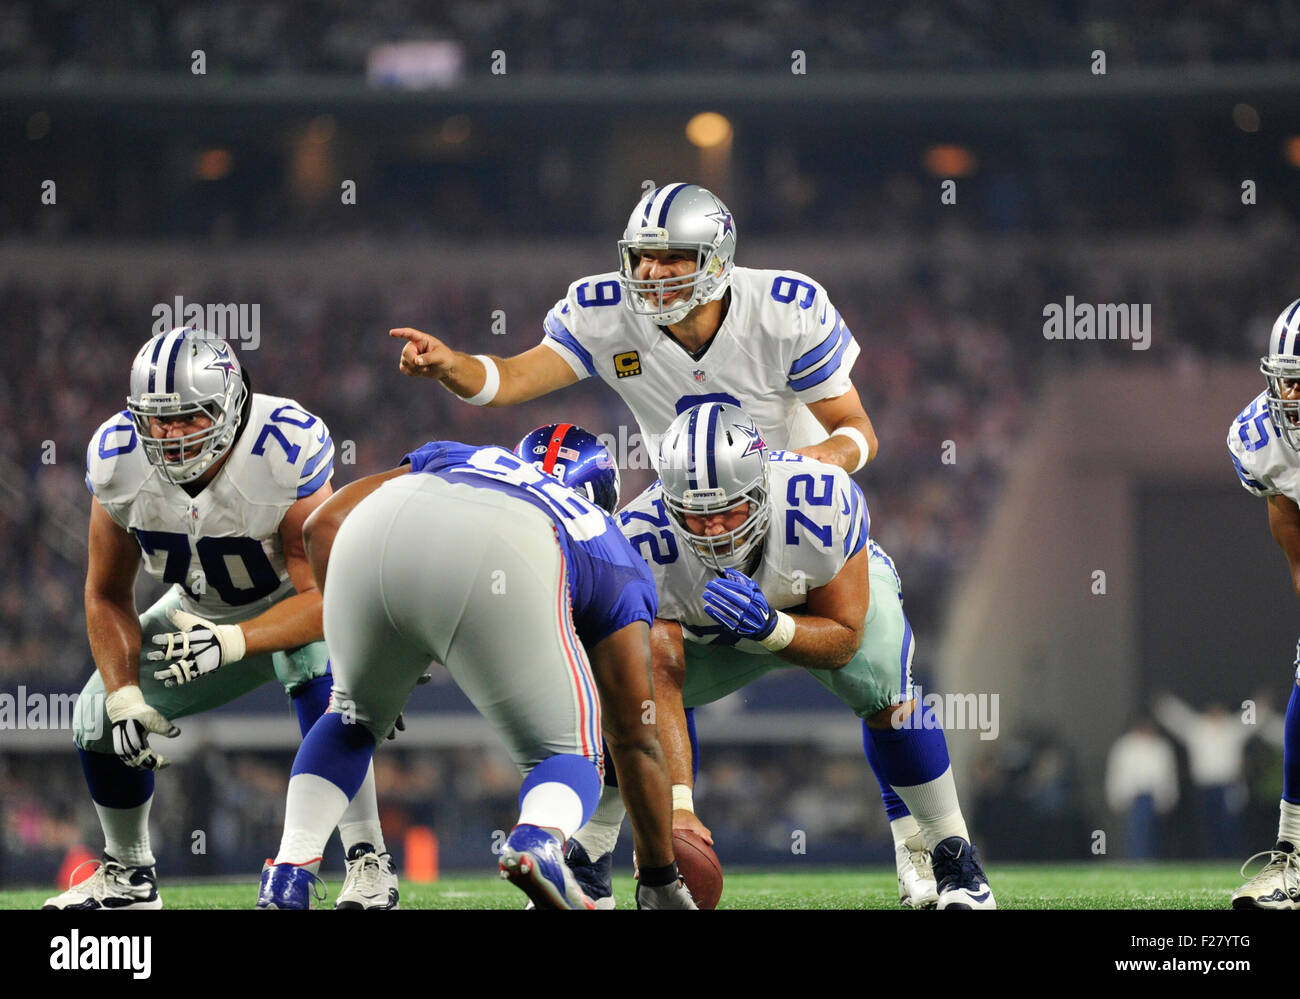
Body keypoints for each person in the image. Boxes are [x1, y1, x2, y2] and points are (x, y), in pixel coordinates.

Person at [390, 182, 935, 908]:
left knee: (885, 690)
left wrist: (786, 473)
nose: (650, 274)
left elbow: (857, 433)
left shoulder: (783, 309)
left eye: (671, 257)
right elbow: (517, 375)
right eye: (642, 258)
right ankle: (605, 849)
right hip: (688, 533)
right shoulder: (611, 313)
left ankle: (921, 845)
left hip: (799, 529)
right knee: (624, 676)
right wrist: (453, 364)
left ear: (717, 259)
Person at [256, 425, 695, 910]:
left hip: (377, 526)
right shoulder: (609, 546)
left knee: (350, 719)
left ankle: (287, 877)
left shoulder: (463, 454)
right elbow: (636, 737)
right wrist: (660, 878)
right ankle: (537, 840)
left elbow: (320, 526)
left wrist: (377, 658)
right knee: (571, 756)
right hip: (508, 553)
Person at [46, 327, 400, 911]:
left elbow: (323, 596)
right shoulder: (117, 459)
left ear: (232, 404)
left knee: (332, 696)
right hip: (196, 613)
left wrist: (235, 642)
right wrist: (124, 692)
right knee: (96, 717)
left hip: (293, 607)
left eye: (190, 417)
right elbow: (106, 594)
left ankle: (368, 860)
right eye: (158, 420)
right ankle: (129, 876)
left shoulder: (281, 447)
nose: (172, 435)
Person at [620, 402, 995, 909]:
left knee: (890, 693)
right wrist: (677, 807)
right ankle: (587, 865)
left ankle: (953, 859)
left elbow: (844, 639)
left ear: (760, 490)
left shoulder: (821, 496)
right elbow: (660, 677)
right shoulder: (639, 537)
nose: (713, 530)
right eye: (695, 515)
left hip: (819, 609)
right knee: (624, 696)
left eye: (728, 510)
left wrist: (773, 627)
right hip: (711, 634)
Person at [1225, 296, 1300, 908]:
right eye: (1286, 382)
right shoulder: (1263, 439)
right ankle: (1294, 857)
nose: (1292, 397)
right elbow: (1297, 552)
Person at [1104, 716, 1179, 859]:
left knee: (1154, 836)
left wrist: (1169, 797)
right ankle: (1134, 861)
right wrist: (1115, 796)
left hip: (1154, 797)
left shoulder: (1160, 747)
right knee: (1135, 835)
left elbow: (1168, 774)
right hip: (1133, 797)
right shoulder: (1124, 747)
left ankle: (1151, 862)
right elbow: (1116, 773)